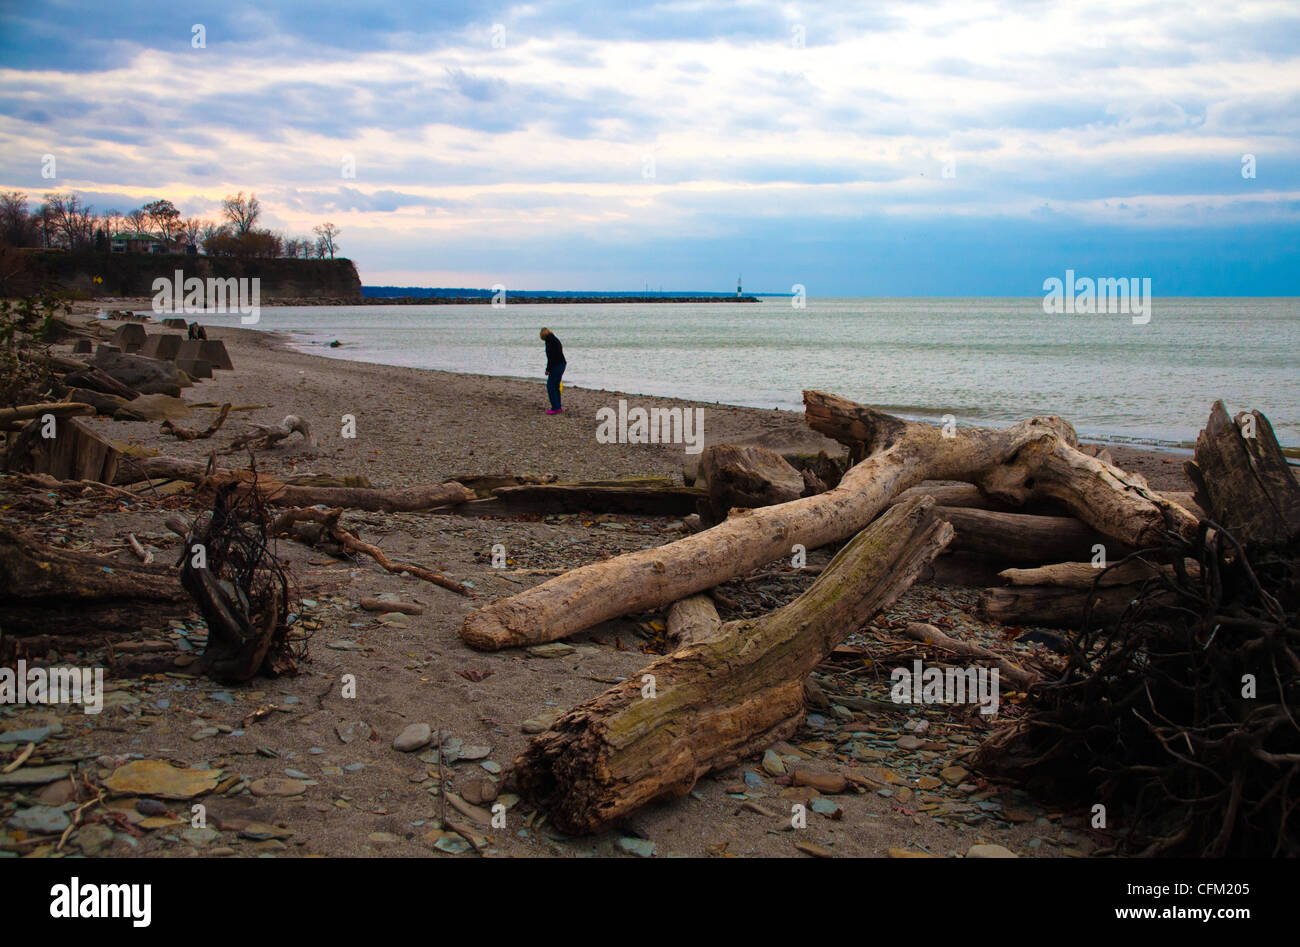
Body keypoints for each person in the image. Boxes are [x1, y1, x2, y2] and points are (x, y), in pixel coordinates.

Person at [540, 327, 565, 414]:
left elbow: (551, 357)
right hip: (562, 364)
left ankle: (555, 407)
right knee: (556, 386)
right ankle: (558, 407)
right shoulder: (555, 339)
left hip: (556, 365)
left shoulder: (549, 342)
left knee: (550, 386)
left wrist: (548, 369)